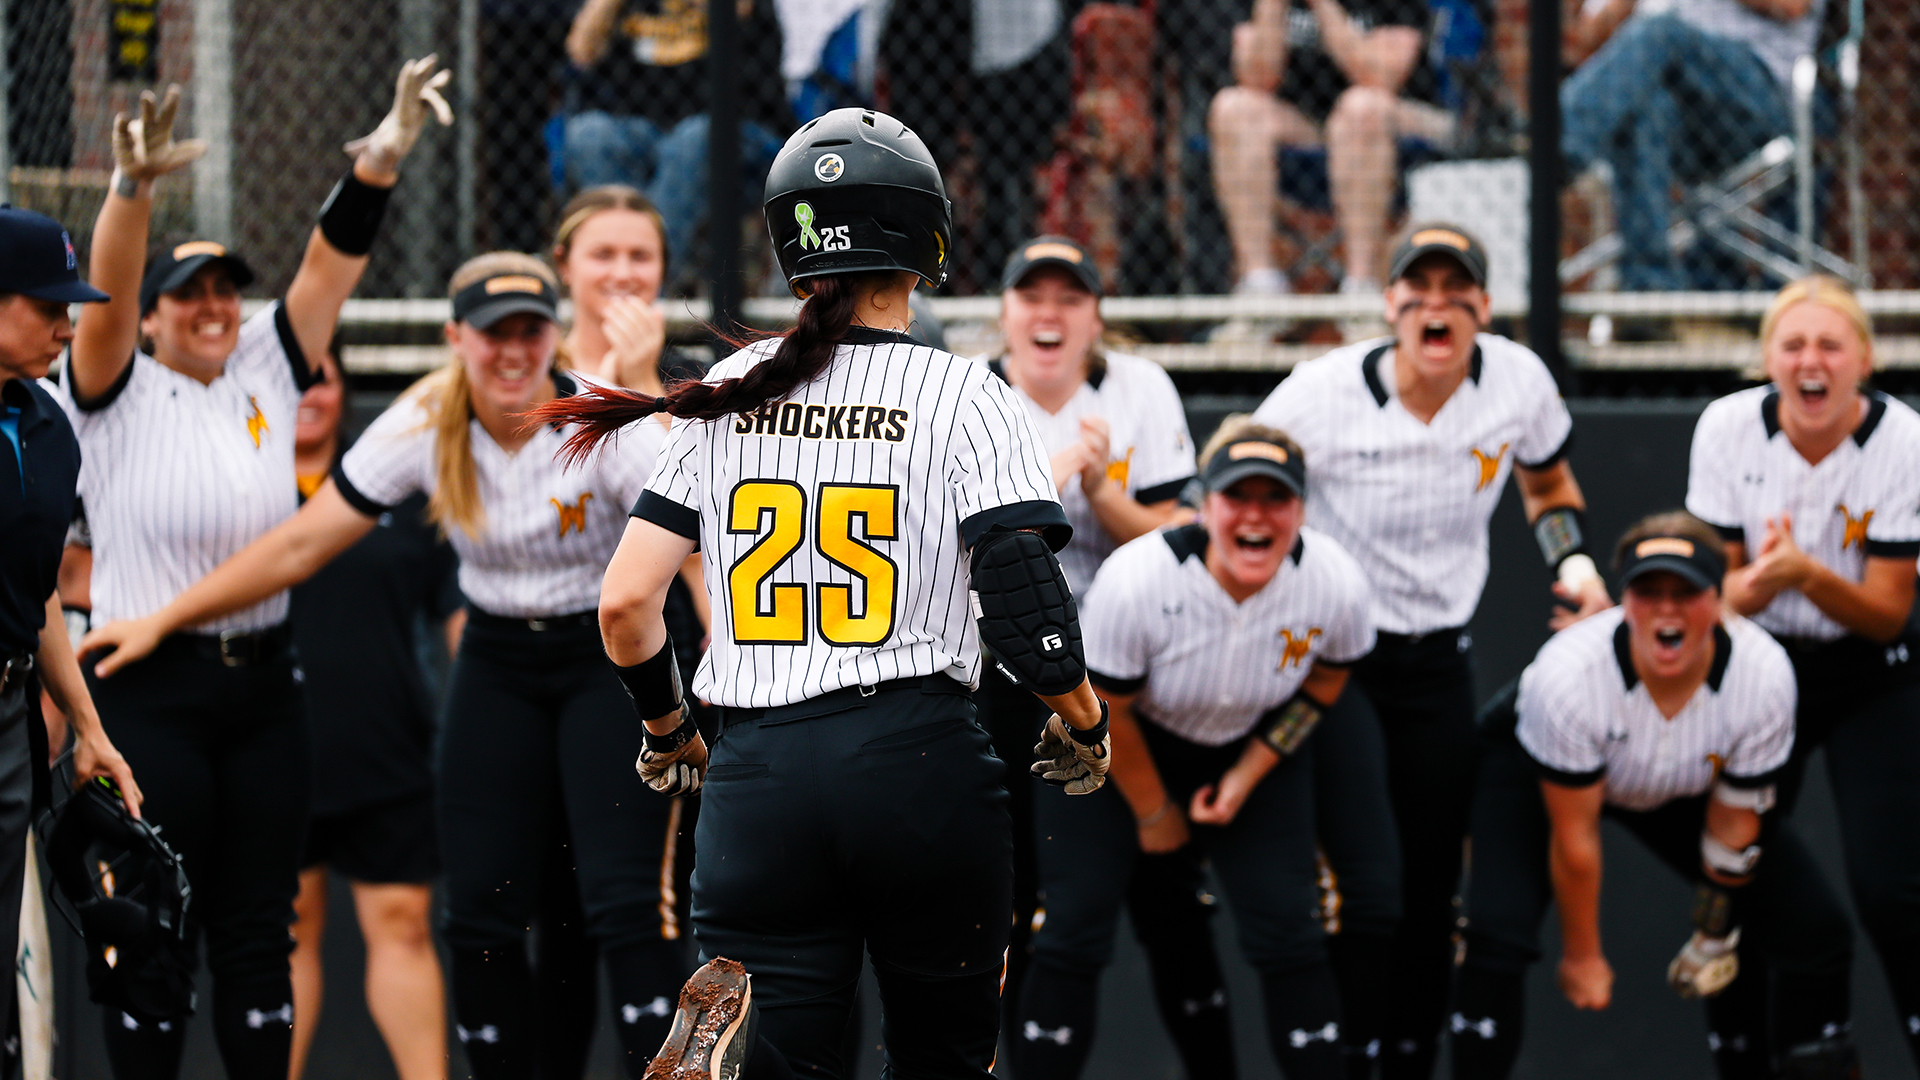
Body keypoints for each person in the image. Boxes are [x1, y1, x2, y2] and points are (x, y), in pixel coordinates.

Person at [530, 106, 1112, 1080]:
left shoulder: (732, 382)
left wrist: (670, 731)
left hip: (758, 776)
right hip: (919, 762)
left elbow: (626, 603)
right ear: (925, 240)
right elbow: (1020, 587)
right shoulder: (968, 394)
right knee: (943, 1054)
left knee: (786, 1050)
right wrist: (1082, 719)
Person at [80, 254, 691, 1078]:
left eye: (530, 333)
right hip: (498, 656)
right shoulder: (427, 418)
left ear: (554, 338)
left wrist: (727, 657)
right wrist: (164, 619)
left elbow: (695, 542)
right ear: (455, 338)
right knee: (478, 915)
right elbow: (300, 542)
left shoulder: (598, 416)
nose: (512, 353)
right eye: (491, 334)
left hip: (599, 659)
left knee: (624, 909)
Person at [59, 63, 447, 1080]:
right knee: (150, 929)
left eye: (227, 288)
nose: (214, 307)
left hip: (268, 688)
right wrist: (132, 191)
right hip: (147, 685)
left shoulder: (266, 368)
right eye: (190, 295)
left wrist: (381, 159)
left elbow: (328, 267)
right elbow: (108, 293)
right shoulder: (114, 386)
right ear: (152, 315)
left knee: (258, 939)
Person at [1251, 224, 1611, 1080]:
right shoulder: (1322, 391)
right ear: (1390, 303)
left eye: (1459, 289)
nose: (1437, 304)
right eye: (1420, 286)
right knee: (1368, 892)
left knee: (1429, 890)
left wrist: (1575, 559)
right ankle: (1350, 1055)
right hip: (1338, 662)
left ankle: (1409, 1057)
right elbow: (1237, 483)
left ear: (1485, 308)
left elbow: (1550, 480)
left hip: (1440, 659)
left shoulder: (1518, 383)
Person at [1014, 418, 1376, 1080]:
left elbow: (1328, 677)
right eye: (1239, 496)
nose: (1256, 517)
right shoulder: (1141, 576)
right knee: (1073, 924)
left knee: (1290, 928)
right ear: (1204, 505)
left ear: (1302, 509)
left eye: (1277, 499)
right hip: (1105, 745)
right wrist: (1155, 813)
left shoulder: (1335, 580)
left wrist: (1248, 772)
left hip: (1249, 746)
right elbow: (1104, 709)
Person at [1451, 512, 1859, 1079]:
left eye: (1686, 592)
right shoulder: (1569, 678)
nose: (1667, 609)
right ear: (1625, 602)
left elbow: (1735, 825)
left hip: (1683, 786)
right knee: (1497, 935)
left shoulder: (1763, 676)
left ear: (1719, 600)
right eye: (1649, 591)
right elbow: (1575, 837)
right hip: (1538, 773)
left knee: (1814, 928)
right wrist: (1583, 954)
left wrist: (1713, 932)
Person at [1685, 274, 1920, 1067]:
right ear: (1767, 361)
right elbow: (1713, 595)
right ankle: (1742, 1057)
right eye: (1793, 344)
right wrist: (1759, 585)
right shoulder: (1726, 428)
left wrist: (1803, 574)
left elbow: (1887, 611)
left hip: (1872, 671)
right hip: (1759, 669)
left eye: (1829, 344)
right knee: (1737, 875)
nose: (1809, 360)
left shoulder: (1902, 441)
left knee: (1894, 892)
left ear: (1865, 359)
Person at [284, 350, 460, 1080]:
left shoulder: (397, 482)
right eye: (291, 376)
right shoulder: (232, 481)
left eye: (321, 375)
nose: (308, 392)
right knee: (286, 935)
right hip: (273, 748)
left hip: (386, 749)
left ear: (345, 388)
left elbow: (460, 618)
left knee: (403, 926)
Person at [0, 205, 142, 1080]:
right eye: (44, 303)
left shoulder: (48, 422)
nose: (66, 323)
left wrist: (86, 724)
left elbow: (35, 581)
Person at [1208, 0, 1455, 330]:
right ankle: (1261, 291)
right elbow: (1254, 76)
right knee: (1233, 107)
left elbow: (1379, 76)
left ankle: (1362, 292)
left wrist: (1323, 6)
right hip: (1311, 131)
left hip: (1399, 125)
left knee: (1360, 108)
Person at [1561, 0, 1827, 291]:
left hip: (1759, 97)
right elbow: (1588, 37)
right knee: (1643, 115)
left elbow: (1793, 6)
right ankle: (1650, 290)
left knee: (1662, 32)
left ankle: (1559, 146)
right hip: (1687, 118)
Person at [561, 0, 789, 291]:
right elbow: (580, 53)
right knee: (589, 134)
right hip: (646, 134)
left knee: (690, 141)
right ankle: (611, 265)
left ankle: (648, 282)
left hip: (741, 133)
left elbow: (744, 16)